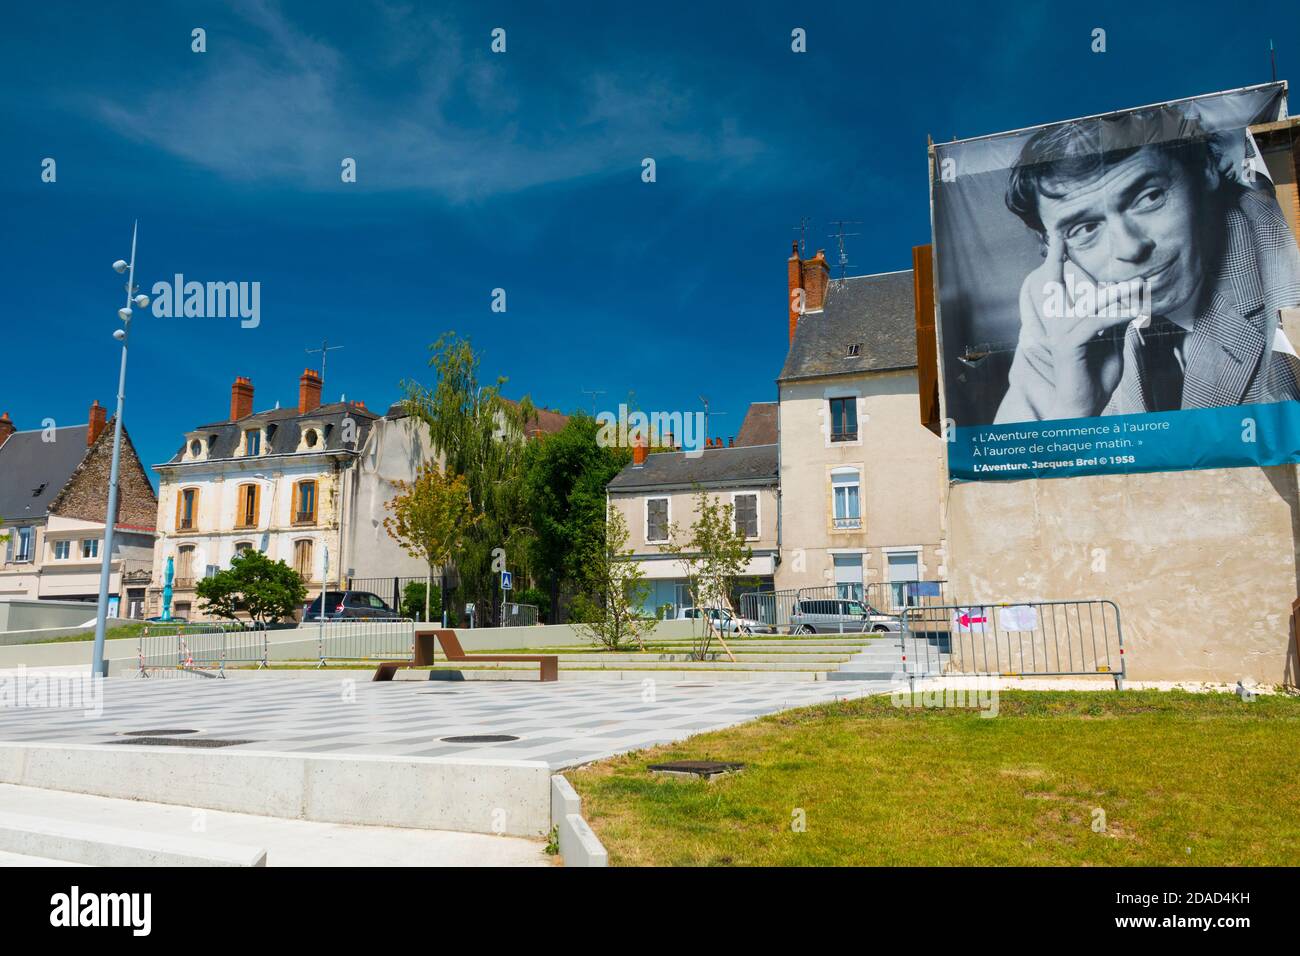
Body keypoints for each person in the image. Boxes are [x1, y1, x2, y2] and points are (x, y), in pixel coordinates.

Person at [994, 109, 1300, 423]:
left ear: (1204, 169)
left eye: (1149, 197)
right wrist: (1075, 413)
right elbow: (1008, 466)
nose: (1130, 248)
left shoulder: (1284, 258)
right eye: (1085, 229)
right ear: (1055, 248)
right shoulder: (1054, 298)